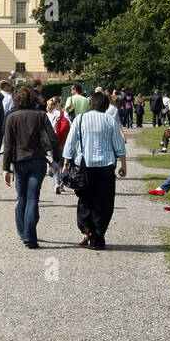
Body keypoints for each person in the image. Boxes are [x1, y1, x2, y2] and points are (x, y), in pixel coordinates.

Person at [62, 92, 128, 249]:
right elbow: (119, 146)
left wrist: (66, 162)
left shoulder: (80, 119)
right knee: (104, 202)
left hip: (84, 166)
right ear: (105, 106)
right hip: (105, 166)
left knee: (85, 199)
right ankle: (98, 237)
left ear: (91, 104)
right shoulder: (109, 120)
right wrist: (123, 165)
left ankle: (86, 229)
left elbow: (70, 143)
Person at [0, 86, 63, 248]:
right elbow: (54, 140)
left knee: (22, 197)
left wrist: (5, 169)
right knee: (33, 198)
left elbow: (8, 146)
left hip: (19, 161)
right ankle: (29, 235)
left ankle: (23, 232)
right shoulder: (41, 115)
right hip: (38, 161)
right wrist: (56, 161)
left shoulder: (11, 118)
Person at [46, 96, 70, 193]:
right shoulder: (64, 114)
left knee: (55, 162)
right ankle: (61, 183)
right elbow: (70, 126)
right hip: (63, 140)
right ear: (58, 104)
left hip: (51, 141)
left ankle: (56, 183)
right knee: (65, 162)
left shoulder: (47, 114)